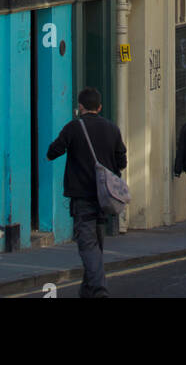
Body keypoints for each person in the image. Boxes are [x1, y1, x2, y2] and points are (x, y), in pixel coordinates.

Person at [46, 86, 127, 299]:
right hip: (105, 196)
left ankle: (99, 290)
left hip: (82, 195)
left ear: (79, 107)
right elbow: (122, 161)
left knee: (88, 244)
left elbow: (53, 152)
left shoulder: (73, 128)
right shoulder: (112, 129)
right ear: (99, 107)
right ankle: (87, 291)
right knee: (96, 243)